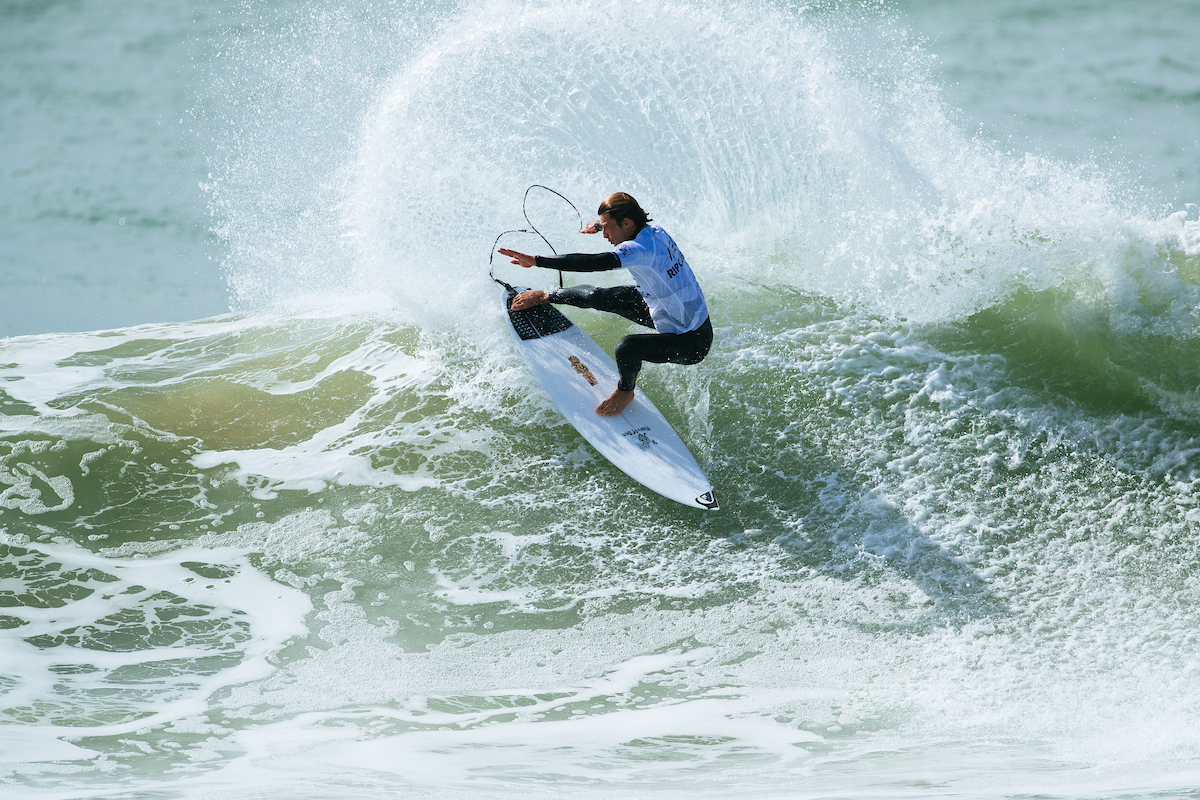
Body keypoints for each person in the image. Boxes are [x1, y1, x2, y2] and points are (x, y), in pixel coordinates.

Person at [498, 192, 712, 417]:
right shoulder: (653, 231)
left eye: (607, 228)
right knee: (597, 296)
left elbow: (594, 262)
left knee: (627, 348)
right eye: (603, 227)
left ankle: (625, 392)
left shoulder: (641, 249)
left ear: (627, 223)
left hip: (692, 340)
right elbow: (621, 231)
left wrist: (536, 261)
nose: (605, 234)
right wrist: (602, 226)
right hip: (668, 306)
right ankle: (546, 296)